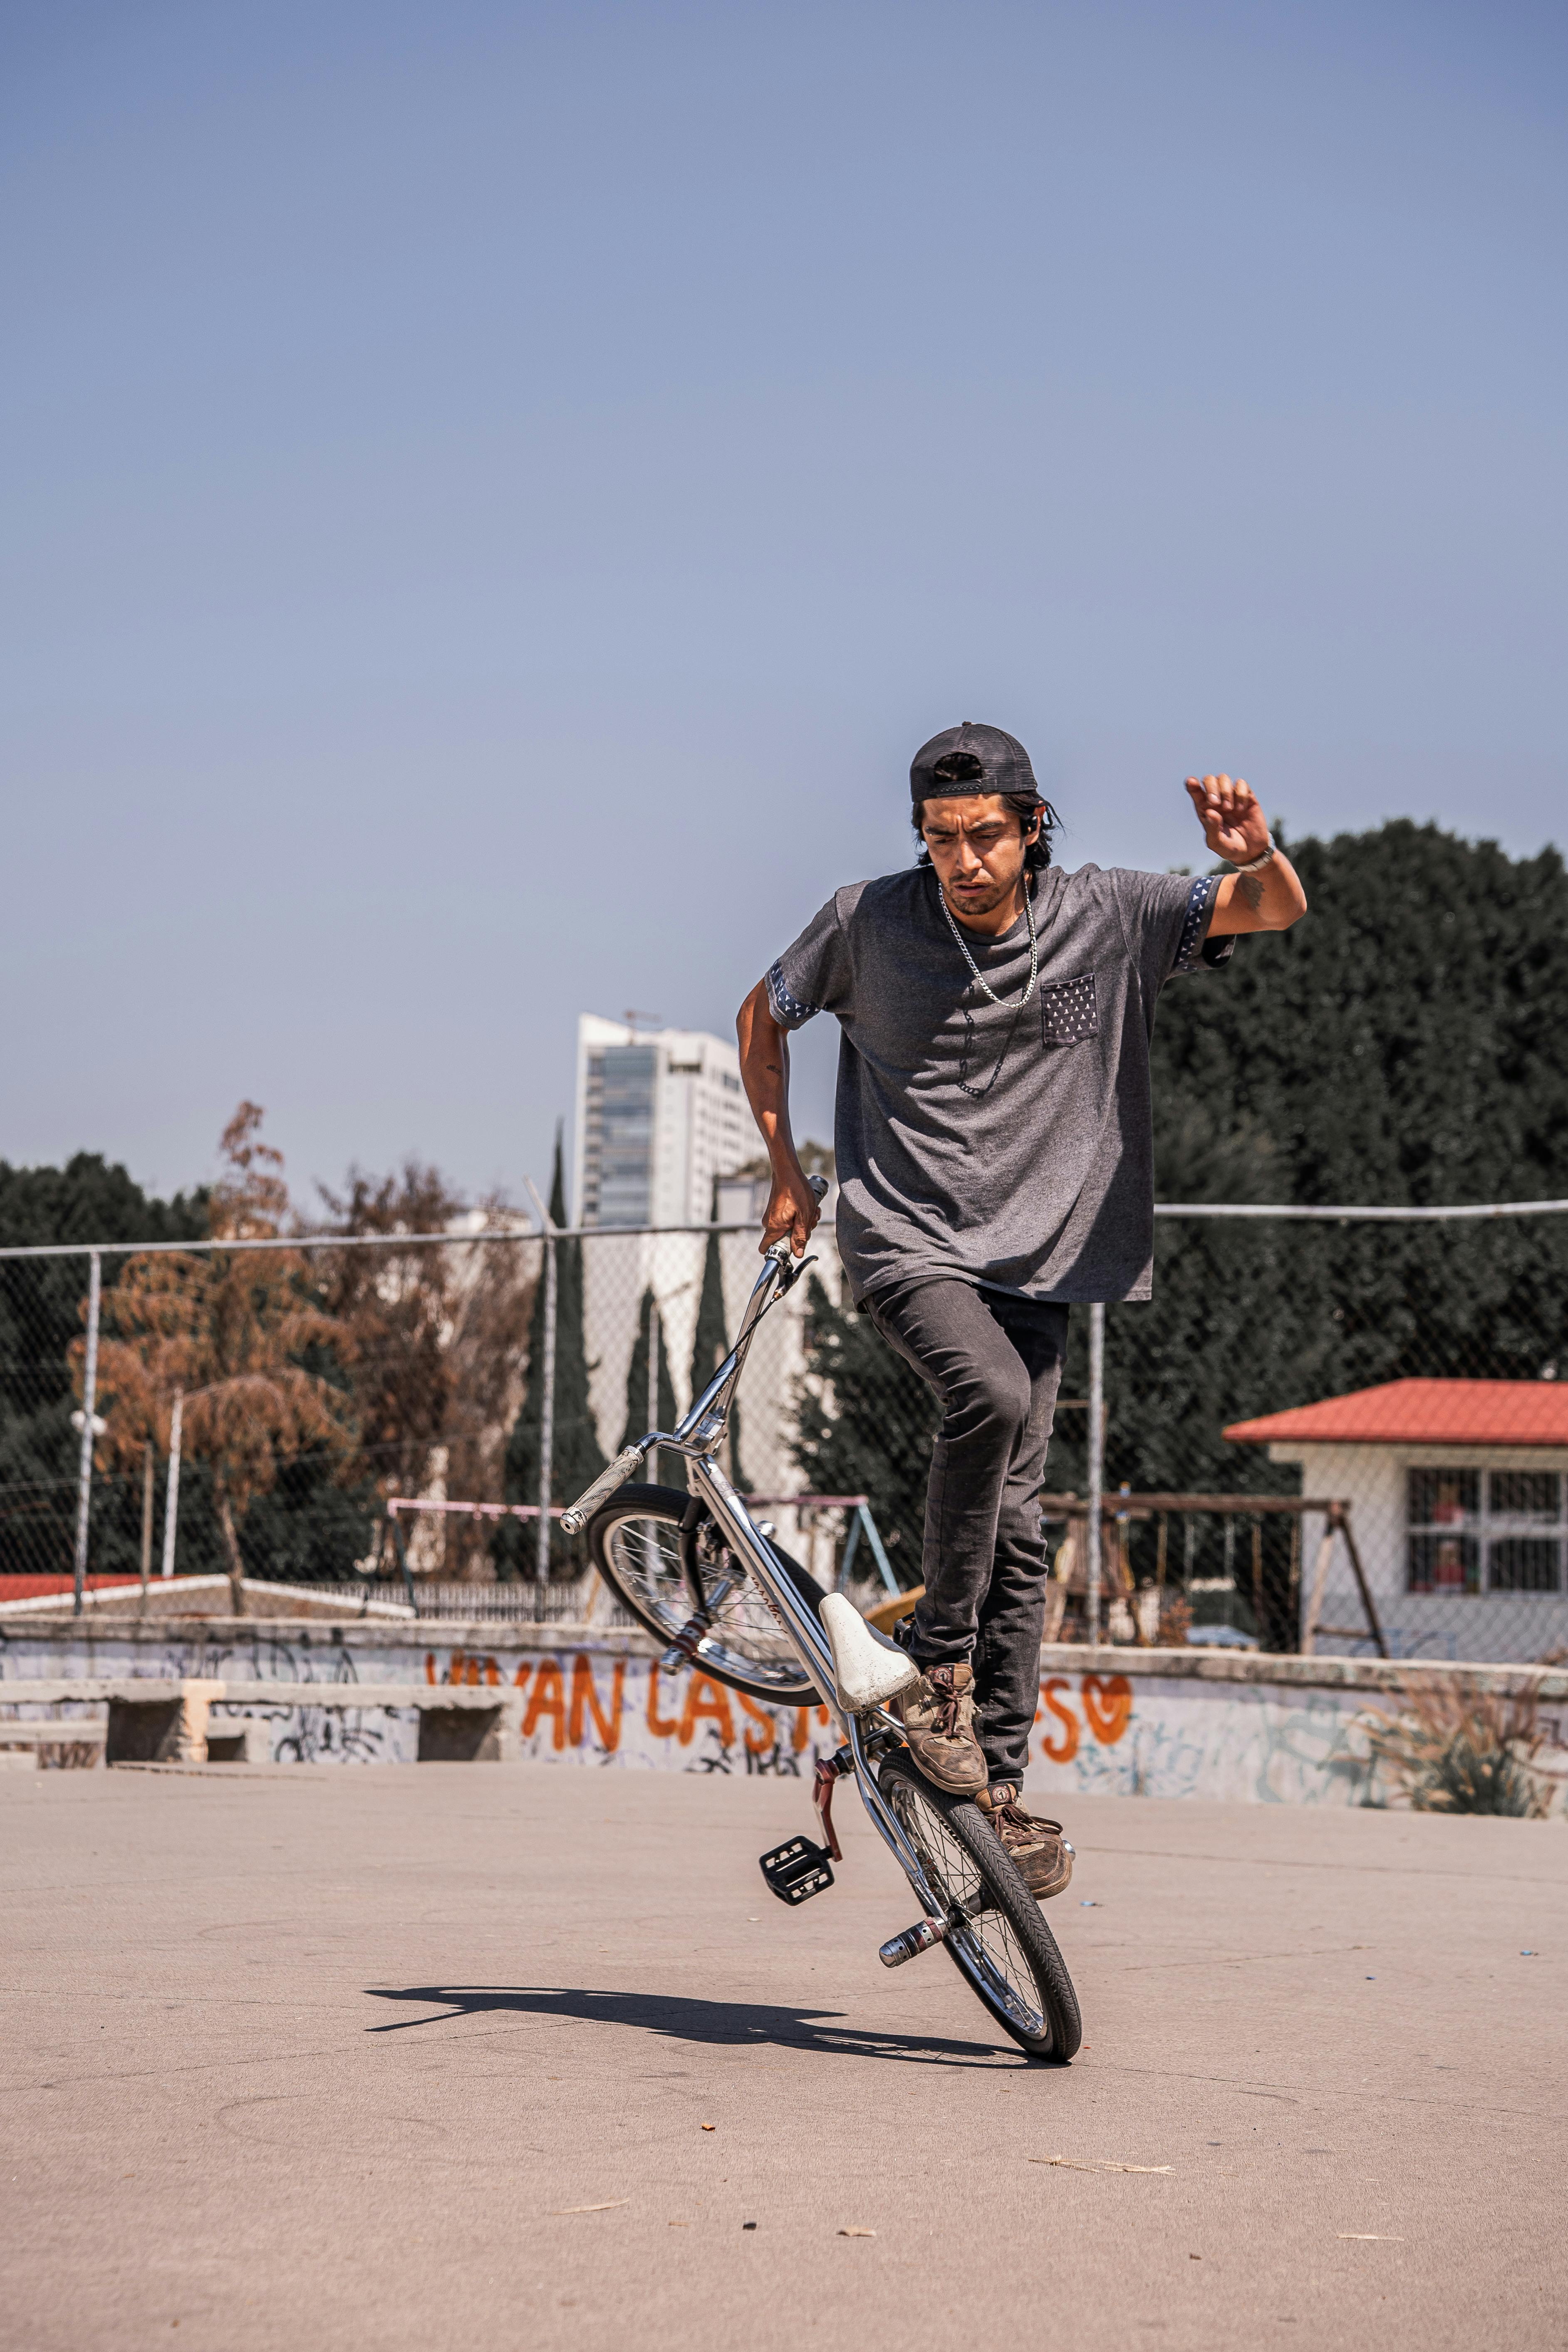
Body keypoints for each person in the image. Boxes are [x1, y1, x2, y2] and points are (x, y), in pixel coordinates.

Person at [736, 722, 1307, 1899]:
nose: (963, 862)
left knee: (1023, 1536)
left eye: (985, 836)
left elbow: (1271, 910)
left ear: (1030, 827)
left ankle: (992, 1786)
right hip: (906, 1238)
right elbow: (762, 1014)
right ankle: (934, 1671)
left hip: (1044, 1260)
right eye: (941, 840)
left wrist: (1258, 851)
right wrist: (786, 1171)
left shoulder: (1108, 913)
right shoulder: (865, 922)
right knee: (982, 1393)